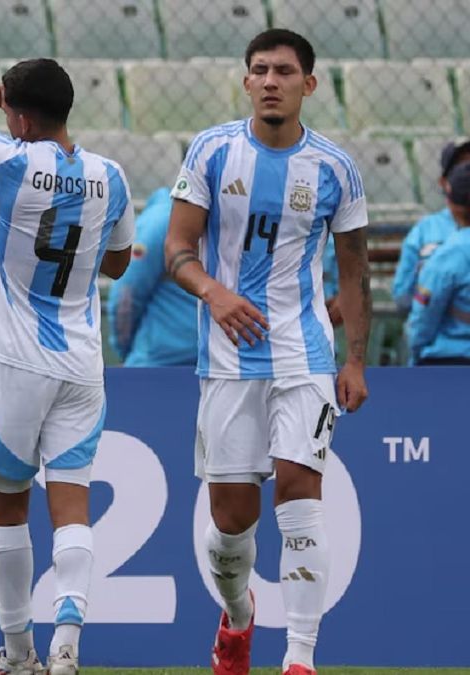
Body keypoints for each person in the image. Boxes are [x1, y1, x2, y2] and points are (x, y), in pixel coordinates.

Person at [163, 29, 370, 675]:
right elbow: (176, 250)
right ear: (246, 81)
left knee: (300, 493)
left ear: (309, 84)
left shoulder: (336, 168)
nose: (271, 80)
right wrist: (214, 293)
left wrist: (355, 359)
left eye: (285, 70)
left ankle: (300, 659)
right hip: (227, 361)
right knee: (231, 525)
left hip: (304, 356)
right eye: (260, 69)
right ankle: (239, 614)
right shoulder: (212, 151)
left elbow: (356, 273)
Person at [0, 58, 135, 675]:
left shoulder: (11, 159)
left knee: (6, 504)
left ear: (17, 115)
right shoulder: (112, 175)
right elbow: (119, 264)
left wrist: (5, 94)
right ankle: (67, 649)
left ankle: (18, 654)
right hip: (81, 362)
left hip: (18, 361)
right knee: (72, 507)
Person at [106, 186, 197, 366]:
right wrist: (124, 349)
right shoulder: (162, 220)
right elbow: (126, 296)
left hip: (217, 367)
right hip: (158, 366)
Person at [392, 139, 470, 311]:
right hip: (439, 331)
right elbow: (401, 295)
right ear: (444, 182)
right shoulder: (425, 230)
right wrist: (429, 283)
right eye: (461, 168)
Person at [407, 162, 470, 365]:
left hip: (451, 360)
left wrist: (416, 350)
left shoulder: (450, 253)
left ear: (452, 204)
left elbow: (424, 315)